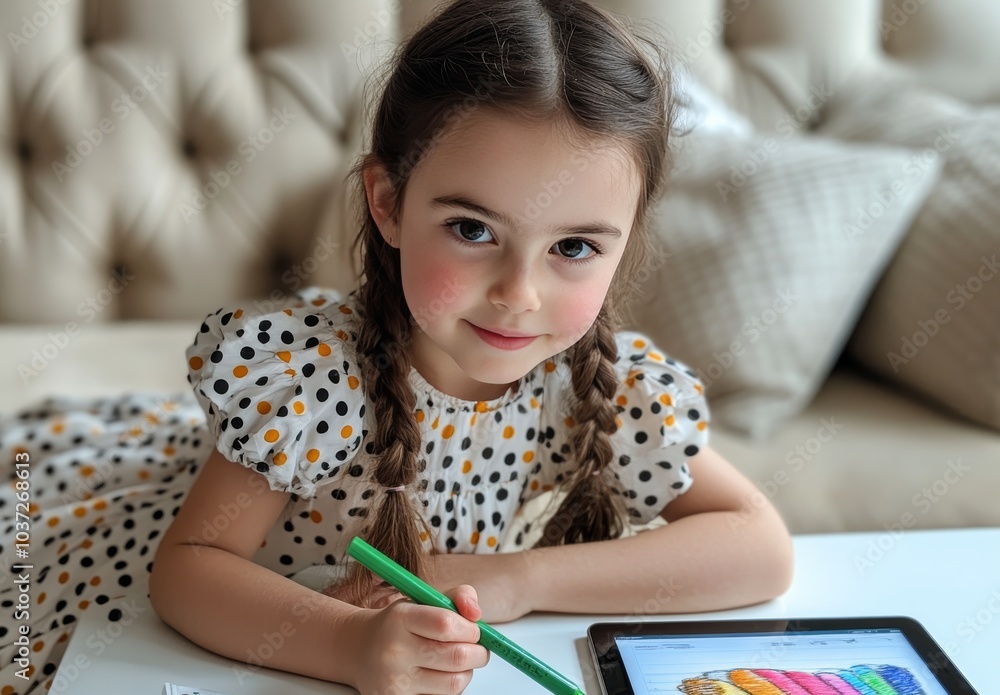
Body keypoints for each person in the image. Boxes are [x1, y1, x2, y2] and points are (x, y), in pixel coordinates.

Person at [0, 1, 791, 693]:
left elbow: (758, 546)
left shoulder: (603, 388)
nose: (519, 293)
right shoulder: (316, 379)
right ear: (387, 202)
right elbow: (190, 568)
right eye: (472, 230)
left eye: (575, 247)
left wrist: (517, 578)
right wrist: (345, 643)